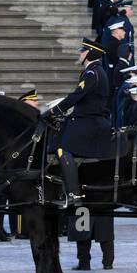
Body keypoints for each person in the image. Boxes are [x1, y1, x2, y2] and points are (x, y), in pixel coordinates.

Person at [42, 38, 113, 206]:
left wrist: (53, 111)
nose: (80, 53)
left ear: (89, 53)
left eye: (83, 50)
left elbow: (76, 96)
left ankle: (73, 194)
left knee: (62, 148)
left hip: (91, 121)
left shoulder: (92, 73)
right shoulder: (95, 71)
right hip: (90, 119)